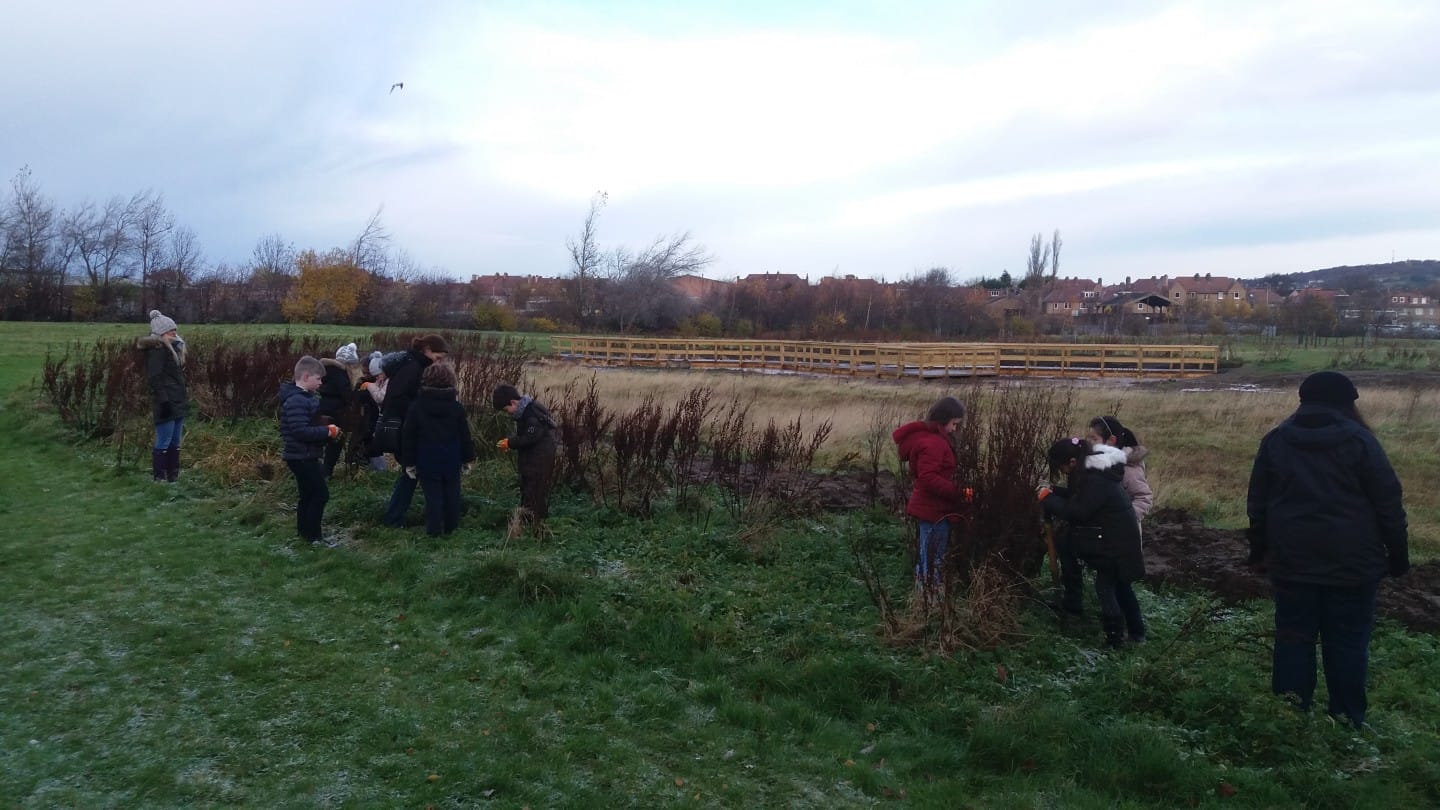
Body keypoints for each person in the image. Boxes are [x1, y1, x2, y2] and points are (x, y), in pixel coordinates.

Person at [1246, 371, 1408, 727]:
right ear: (1347, 402)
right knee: (1348, 643)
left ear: (1303, 400)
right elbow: (1388, 504)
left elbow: (1258, 505)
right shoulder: (1361, 441)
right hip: (1354, 565)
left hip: (1291, 562)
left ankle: (1289, 717)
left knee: (1293, 639)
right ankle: (1348, 720)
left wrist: (1259, 553)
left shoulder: (1276, 440)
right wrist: (1398, 556)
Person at [1040, 437, 1145, 648]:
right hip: (1120, 539)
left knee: (1106, 588)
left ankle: (1116, 640)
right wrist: (1054, 491)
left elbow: (1078, 511)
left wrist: (1047, 499)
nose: (1063, 472)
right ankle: (1136, 633)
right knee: (1121, 587)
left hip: (1114, 544)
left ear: (1071, 461)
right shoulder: (1094, 472)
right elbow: (1078, 497)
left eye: (1061, 467)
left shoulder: (1095, 479)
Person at [891, 396, 969, 592]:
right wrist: (957, 492)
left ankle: (926, 592)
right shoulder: (934, 443)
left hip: (933, 507)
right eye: (953, 424)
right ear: (943, 420)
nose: (954, 429)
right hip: (934, 509)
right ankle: (929, 595)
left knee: (930, 552)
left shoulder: (933, 439)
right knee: (933, 554)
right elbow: (928, 477)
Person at [380, 334, 450, 527]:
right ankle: (397, 518)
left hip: (407, 427)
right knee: (412, 473)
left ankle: (397, 517)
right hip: (406, 429)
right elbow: (397, 398)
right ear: (426, 349)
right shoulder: (413, 368)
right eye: (438, 357)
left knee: (412, 473)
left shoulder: (412, 364)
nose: (440, 362)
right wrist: (420, 411)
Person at [400, 362, 476, 536]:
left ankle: (434, 531)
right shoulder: (456, 407)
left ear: (426, 380)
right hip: (451, 456)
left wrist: (409, 463)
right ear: (451, 380)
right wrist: (467, 458)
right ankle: (451, 529)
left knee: (432, 496)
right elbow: (464, 435)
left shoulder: (417, 406)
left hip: (426, 457)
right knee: (452, 494)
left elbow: (409, 437)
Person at [279, 355, 343, 545]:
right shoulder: (297, 400)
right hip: (301, 455)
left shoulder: (305, 398)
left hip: (304, 454)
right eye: (318, 379)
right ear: (306, 377)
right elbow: (300, 430)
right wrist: (327, 431)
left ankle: (304, 534)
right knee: (320, 494)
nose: (321, 383)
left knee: (307, 495)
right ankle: (314, 536)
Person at [492, 383, 559, 528]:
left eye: (506, 409)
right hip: (534, 457)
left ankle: (532, 524)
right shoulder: (526, 411)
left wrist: (510, 442)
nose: (508, 413)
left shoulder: (531, 413)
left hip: (539, 458)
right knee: (530, 488)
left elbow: (530, 437)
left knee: (533, 490)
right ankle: (535, 522)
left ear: (513, 402)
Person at [136, 309, 189, 483]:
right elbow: (155, 377)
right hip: (166, 403)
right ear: (160, 333)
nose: (174, 332)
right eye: (170, 330)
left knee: (175, 441)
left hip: (178, 401)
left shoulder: (174, 348)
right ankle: (159, 478)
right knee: (164, 441)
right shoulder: (157, 350)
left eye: (174, 329)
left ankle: (173, 476)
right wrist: (164, 401)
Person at [1086, 416, 1153, 527]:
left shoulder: (1128, 468)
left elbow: (1143, 498)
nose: (1089, 443)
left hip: (1125, 534)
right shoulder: (1098, 462)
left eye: (1094, 439)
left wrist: (1123, 521)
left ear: (1112, 440)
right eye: (1088, 438)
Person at [317, 342, 365, 477]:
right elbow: (347, 395)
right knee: (336, 441)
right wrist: (359, 393)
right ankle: (326, 472)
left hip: (321, 408)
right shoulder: (340, 373)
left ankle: (318, 469)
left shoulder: (325, 371)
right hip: (336, 411)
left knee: (320, 439)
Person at [357, 351, 389, 472]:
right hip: (370, 418)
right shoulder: (373, 382)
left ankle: (379, 468)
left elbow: (380, 398)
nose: (364, 375)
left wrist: (368, 387)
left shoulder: (380, 382)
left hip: (375, 418)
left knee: (373, 442)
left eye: (366, 372)